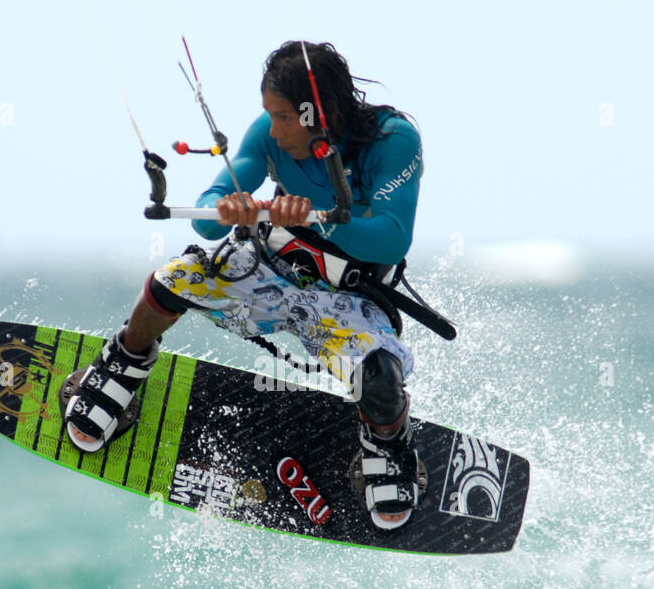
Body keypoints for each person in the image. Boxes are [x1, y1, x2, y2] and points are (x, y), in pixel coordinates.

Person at [63, 41, 425, 530]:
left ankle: (386, 441)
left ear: (316, 113)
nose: (272, 130)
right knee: (172, 282)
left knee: (381, 379)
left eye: (282, 118)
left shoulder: (394, 140)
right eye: (268, 116)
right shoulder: (269, 136)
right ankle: (125, 362)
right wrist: (229, 204)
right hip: (269, 268)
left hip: (348, 298)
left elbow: (391, 239)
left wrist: (321, 223)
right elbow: (207, 223)